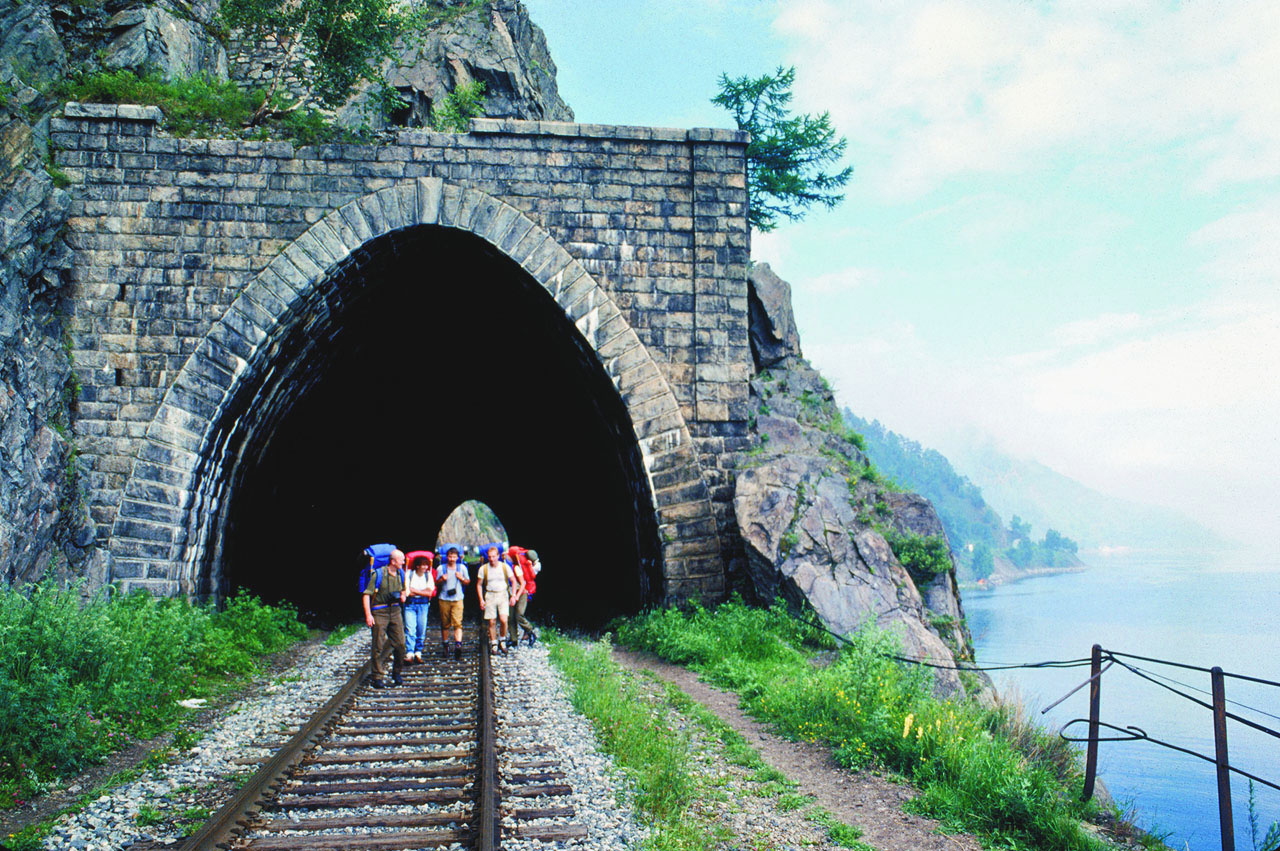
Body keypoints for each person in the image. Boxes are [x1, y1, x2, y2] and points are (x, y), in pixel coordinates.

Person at [362, 547, 407, 688]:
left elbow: (404, 589)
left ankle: (397, 672)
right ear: (393, 561)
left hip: (395, 610)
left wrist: (404, 595)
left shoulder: (401, 573)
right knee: (378, 646)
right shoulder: (378, 574)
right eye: (401, 560)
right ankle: (377, 676)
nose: (404, 562)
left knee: (400, 644)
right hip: (379, 611)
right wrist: (368, 615)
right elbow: (366, 595)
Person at [476, 544, 522, 654]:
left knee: (503, 619)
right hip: (490, 595)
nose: (492, 559)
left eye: (494, 556)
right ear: (487, 557)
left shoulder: (505, 567)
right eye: (490, 557)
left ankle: (502, 639)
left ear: (498, 556)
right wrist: (481, 599)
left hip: (503, 594)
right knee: (491, 621)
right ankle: (494, 643)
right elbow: (479, 585)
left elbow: (514, 581)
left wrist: (514, 595)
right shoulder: (484, 569)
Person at [435, 546, 470, 660]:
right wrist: (441, 579)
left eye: (454, 557)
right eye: (450, 556)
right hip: (444, 599)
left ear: (457, 557)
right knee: (445, 623)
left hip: (458, 598)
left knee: (457, 623)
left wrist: (461, 578)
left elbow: (467, 582)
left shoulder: (462, 568)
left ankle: (458, 644)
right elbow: (436, 583)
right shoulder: (441, 568)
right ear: (447, 556)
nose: (452, 559)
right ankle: (446, 645)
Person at [403, 551, 436, 664]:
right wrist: (423, 591)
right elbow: (407, 592)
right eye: (423, 565)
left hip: (423, 605)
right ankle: (410, 653)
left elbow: (430, 593)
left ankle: (418, 652)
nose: (425, 567)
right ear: (417, 566)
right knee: (410, 629)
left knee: (421, 629)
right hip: (410, 605)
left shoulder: (428, 575)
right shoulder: (409, 574)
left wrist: (414, 590)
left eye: (426, 565)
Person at [509, 545, 538, 647]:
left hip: (521, 592)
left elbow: (523, 582)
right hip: (510, 593)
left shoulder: (517, 567)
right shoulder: (506, 566)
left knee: (519, 614)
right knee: (510, 617)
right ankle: (513, 639)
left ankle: (530, 631)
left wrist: (516, 596)